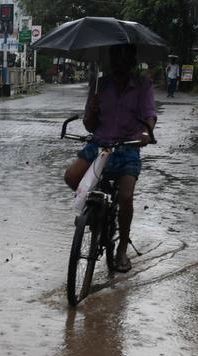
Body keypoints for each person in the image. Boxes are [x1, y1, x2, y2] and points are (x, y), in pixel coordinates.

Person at [62, 44, 157, 273]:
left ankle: (122, 248)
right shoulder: (99, 85)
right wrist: (92, 112)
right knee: (71, 176)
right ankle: (94, 215)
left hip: (127, 148)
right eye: (115, 62)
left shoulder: (142, 86)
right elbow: (89, 125)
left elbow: (149, 115)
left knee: (125, 197)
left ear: (131, 62)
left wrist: (145, 133)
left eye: (124, 62)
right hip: (99, 145)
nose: (119, 67)